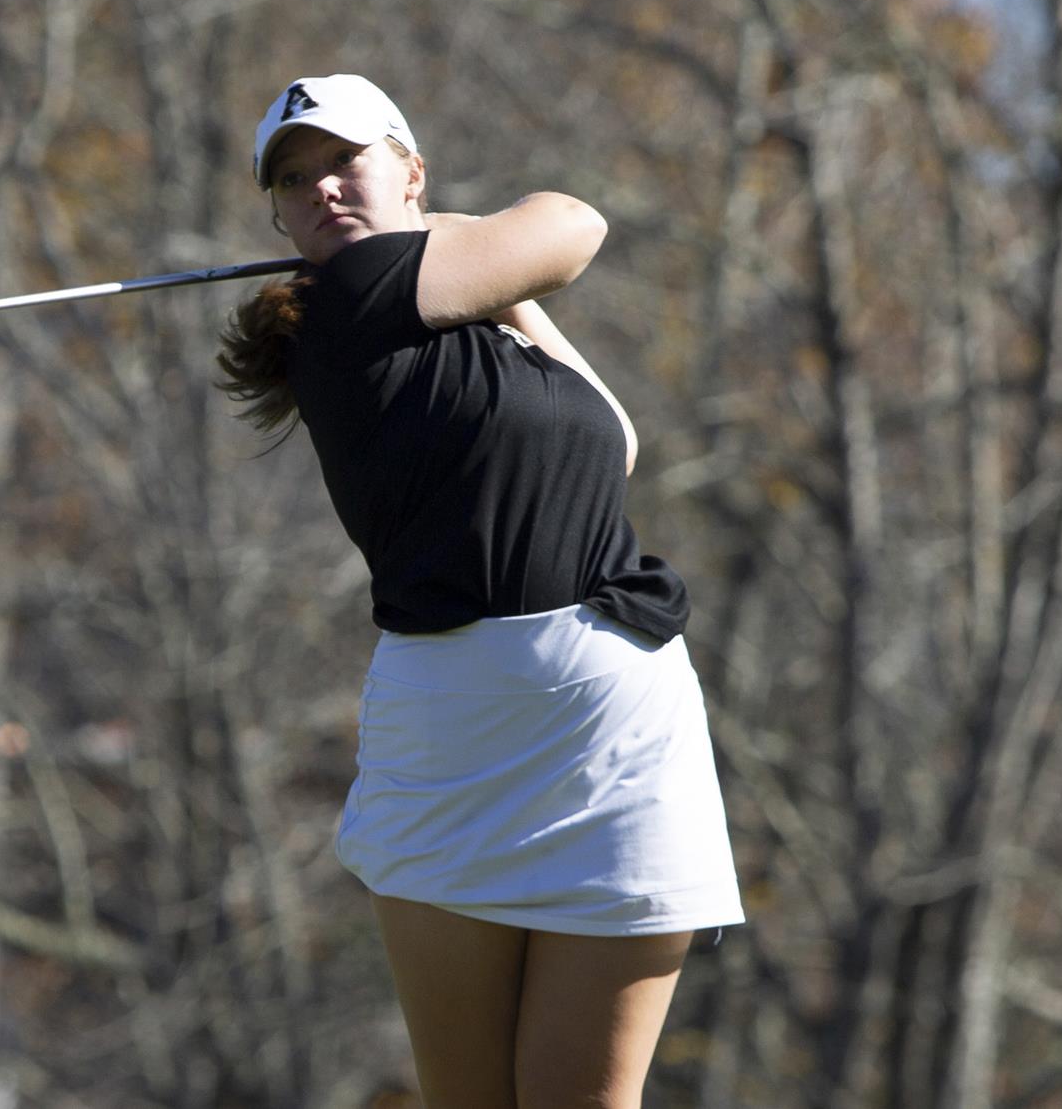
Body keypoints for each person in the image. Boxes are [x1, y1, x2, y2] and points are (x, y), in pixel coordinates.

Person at [217, 74, 744, 1108]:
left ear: (408, 167)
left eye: (342, 161)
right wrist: (441, 233)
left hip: (614, 725)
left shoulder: (453, 324)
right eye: (293, 180)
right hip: (457, 735)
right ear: (278, 216)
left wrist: (487, 282)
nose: (320, 189)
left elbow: (614, 442)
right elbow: (572, 222)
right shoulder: (357, 302)